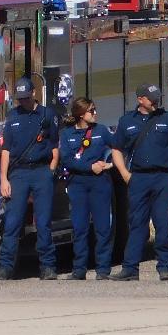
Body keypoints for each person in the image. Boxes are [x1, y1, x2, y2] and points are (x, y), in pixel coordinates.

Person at [110, 83, 168, 282]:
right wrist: (125, 174)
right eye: (152, 98)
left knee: (162, 223)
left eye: (157, 97)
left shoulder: (167, 118)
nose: (156, 101)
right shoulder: (127, 121)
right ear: (140, 100)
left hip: (162, 178)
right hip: (139, 179)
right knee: (136, 224)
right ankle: (130, 268)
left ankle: (164, 266)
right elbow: (116, 149)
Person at [0, 76, 60, 280]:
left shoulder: (47, 115)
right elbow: (6, 150)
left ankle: (47, 266)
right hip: (19, 173)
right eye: (19, 98)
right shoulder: (12, 117)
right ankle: (5, 267)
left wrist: (51, 169)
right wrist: (4, 179)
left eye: (25, 97)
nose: (22, 101)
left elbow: (55, 145)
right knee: (13, 221)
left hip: (41, 171)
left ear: (34, 93)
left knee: (43, 221)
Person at [56, 97, 115, 281]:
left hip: (100, 183)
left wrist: (110, 165)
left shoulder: (102, 131)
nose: (95, 113)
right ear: (81, 114)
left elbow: (120, 148)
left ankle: (103, 269)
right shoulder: (66, 135)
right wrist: (90, 167)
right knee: (80, 227)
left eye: (95, 109)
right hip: (77, 184)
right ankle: (79, 269)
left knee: (103, 227)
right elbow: (67, 160)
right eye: (92, 111)